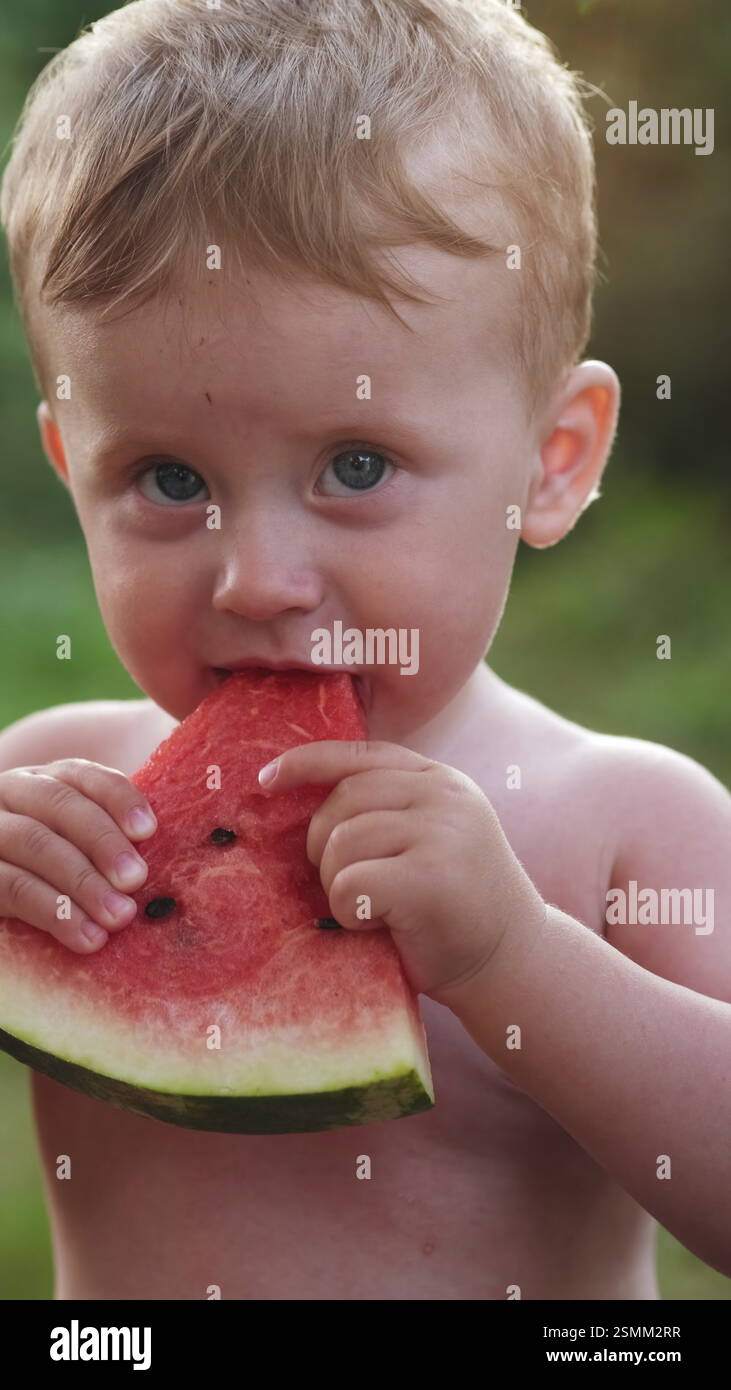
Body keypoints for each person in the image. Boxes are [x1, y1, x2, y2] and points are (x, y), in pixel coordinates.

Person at [0, 0, 729, 1300]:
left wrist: (519, 962)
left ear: (552, 463)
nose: (257, 579)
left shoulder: (628, 827)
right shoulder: (55, 799)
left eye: (354, 466)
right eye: (168, 477)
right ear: (72, 468)